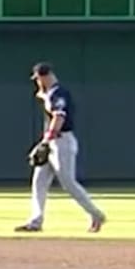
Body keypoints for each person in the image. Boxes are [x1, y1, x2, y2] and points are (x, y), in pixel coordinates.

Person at [16, 63, 106, 233]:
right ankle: (36, 221)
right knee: (39, 181)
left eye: (38, 79)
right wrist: (45, 141)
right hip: (52, 141)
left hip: (61, 141)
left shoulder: (58, 93)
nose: (37, 82)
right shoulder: (50, 93)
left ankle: (96, 214)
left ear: (44, 77)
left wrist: (46, 141)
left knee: (68, 183)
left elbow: (59, 117)